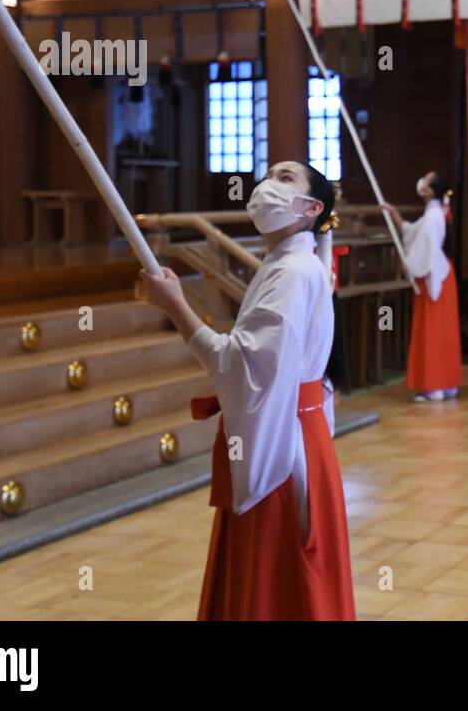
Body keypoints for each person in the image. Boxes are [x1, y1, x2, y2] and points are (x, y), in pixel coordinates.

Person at [139, 160, 355, 621]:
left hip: (281, 442)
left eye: (285, 178)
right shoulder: (287, 265)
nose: (267, 186)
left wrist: (177, 306)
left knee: (277, 582)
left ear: (311, 207)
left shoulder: (294, 271)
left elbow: (240, 367)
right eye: (268, 175)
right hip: (294, 429)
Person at [381, 171, 462, 403]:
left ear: (428, 190)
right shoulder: (433, 214)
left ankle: (435, 386)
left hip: (432, 276)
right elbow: (411, 232)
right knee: (441, 330)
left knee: (433, 332)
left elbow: (426, 248)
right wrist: (393, 214)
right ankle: (446, 384)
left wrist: (410, 266)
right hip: (439, 275)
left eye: (425, 180)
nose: (421, 181)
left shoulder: (434, 216)